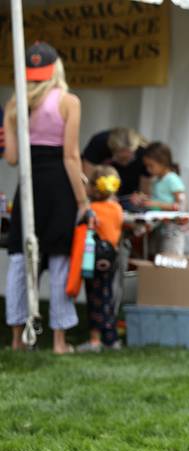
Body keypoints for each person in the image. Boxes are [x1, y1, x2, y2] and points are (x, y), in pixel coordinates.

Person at [4, 42, 86, 354]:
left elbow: (11, 158)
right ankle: (59, 341)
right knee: (60, 260)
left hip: (27, 187)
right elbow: (70, 157)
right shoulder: (69, 102)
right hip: (60, 190)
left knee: (19, 262)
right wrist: (83, 202)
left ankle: (17, 339)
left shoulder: (15, 105)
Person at [78, 166, 124, 352]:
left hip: (93, 258)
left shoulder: (91, 210)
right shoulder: (117, 208)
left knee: (94, 297)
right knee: (108, 296)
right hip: (111, 258)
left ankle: (95, 339)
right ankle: (110, 338)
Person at [82, 127, 149, 209]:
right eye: (122, 159)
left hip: (129, 197)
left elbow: (145, 191)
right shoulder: (99, 144)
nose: (125, 163)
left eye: (129, 158)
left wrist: (140, 196)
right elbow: (87, 181)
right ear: (112, 152)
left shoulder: (144, 151)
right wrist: (104, 196)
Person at [141, 142, 186, 255]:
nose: (148, 169)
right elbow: (157, 199)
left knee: (169, 256)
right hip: (159, 226)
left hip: (172, 227)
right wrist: (145, 200)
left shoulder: (172, 179)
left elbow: (181, 205)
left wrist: (155, 203)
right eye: (146, 166)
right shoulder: (156, 181)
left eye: (151, 166)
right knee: (155, 254)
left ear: (163, 162)